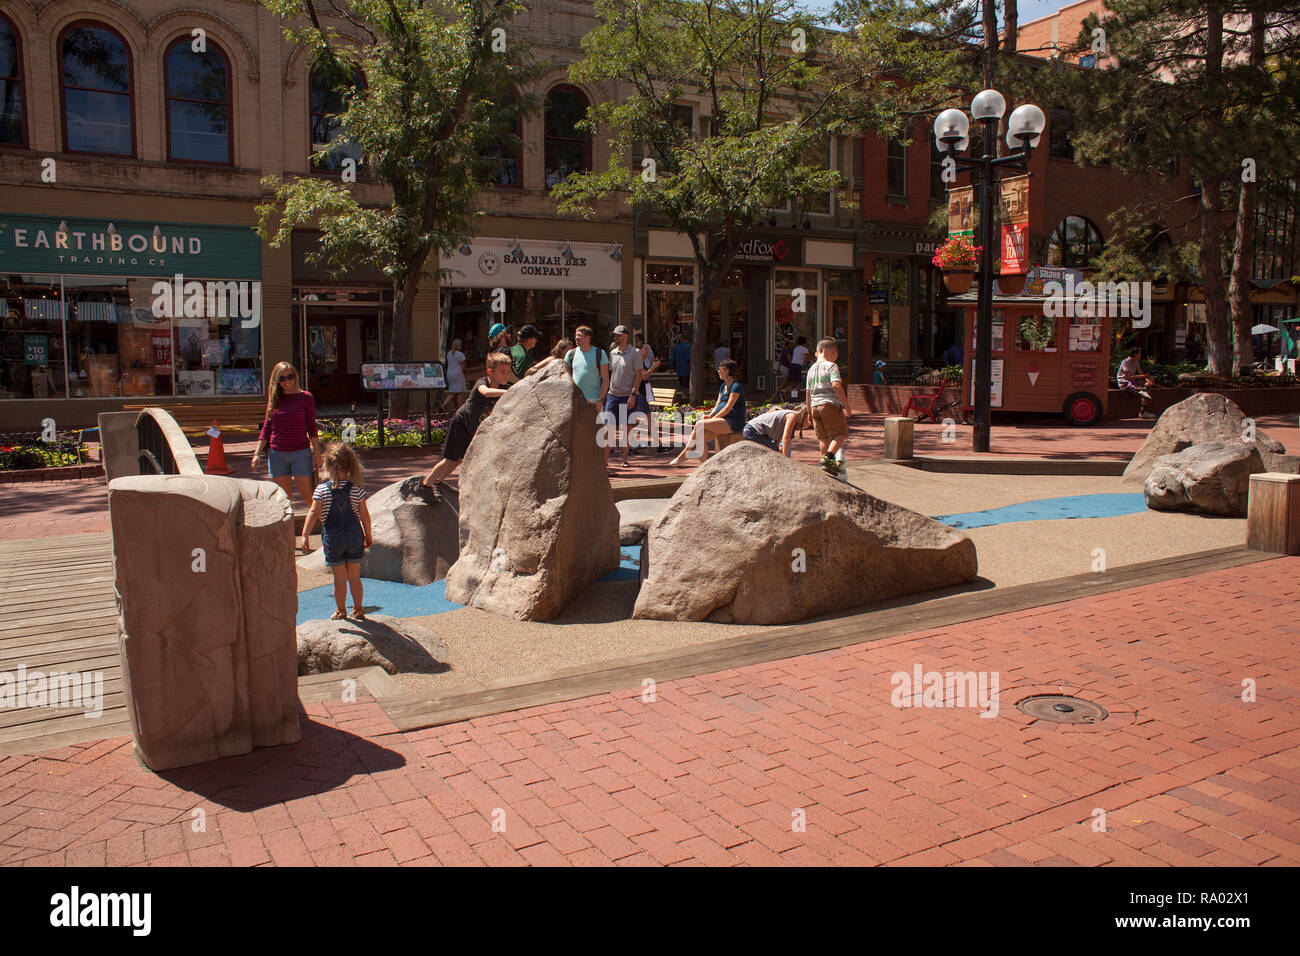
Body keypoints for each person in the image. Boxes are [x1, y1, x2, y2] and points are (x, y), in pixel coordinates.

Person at [405, 351, 512, 501]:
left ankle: (437, 483)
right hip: (461, 423)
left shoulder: (504, 386)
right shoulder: (483, 383)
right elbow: (486, 393)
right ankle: (425, 485)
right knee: (451, 460)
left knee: (460, 460)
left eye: (508, 371)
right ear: (490, 372)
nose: (506, 375)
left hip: (472, 428)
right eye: (502, 372)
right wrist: (508, 391)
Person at [300, 442, 373, 621]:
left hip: (333, 538)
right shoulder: (356, 490)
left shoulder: (321, 490)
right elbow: (365, 515)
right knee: (354, 576)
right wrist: (368, 534)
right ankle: (358, 608)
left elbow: (313, 512)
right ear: (350, 467)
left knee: (339, 578)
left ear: (328, 467)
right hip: (355, 536)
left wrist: (305, 534)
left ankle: (341, 610)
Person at [252, 361, 321, 506]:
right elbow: (267, 427)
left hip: (300, 452)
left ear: (295, 376)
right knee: (284, 499)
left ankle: (326, 528)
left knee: (309, 495)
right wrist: (257, 453)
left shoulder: (305, 397)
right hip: (277, 454)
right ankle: (288, 529)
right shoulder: (275, 398)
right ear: (277, 381)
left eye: (290, 377)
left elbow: (311, 426)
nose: (287, 381)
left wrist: (317, 452)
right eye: (282, 379)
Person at [670, 358, 745, 466]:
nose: (718, 371)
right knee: (701, 436)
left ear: (727, 371)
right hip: (721, 421)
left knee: (699, 424)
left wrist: (713, 419)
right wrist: (709, 416)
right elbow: (717, 406)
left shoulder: (736, 387)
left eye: (720, 369)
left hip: (733, 422)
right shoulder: (723, 386)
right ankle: (703, 468)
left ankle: (684, 454)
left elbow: (728, 408)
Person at [805, 338, 853, 478]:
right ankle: (829, 458)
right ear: (832, 352)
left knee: (824, 438)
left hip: (814, 406)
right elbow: (837, 385)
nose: (836, 356)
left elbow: (808, 393)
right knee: (841, 434)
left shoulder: (811, 369)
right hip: (829, 404)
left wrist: (809, 412)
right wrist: (847, 405)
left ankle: (827, 466)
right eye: (836, 353)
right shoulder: (831, 366)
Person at [604, 325, 641, 467]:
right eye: (615, 335)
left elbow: (638, 376)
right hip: (612, 395)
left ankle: (625, 459)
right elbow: (611, 374)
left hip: (628, 395)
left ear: (625, 335)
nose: (615, 337)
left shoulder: (635, 352)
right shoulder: (612, 353)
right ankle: (605, 462)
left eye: (618, 335)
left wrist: (633, 394)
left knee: (627, 429)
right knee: (608, 429)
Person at [565, 325, 609, 405]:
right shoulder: (570, 354)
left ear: (588, 338)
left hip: (594, 400)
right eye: (576, 335)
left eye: (579, 335)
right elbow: (565, 377)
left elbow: (606, 379)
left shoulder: (600, 353)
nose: (576, 338)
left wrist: (601, 399)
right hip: (575, 400)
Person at [743, 405, 809, 457]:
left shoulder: (793, 422)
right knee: (775, 452)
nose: (811, 423)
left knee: (776, 451)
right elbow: (786, 439)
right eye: (811, 420)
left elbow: (777, 443)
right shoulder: (792, 416)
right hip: (752, 430)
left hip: (757, 432)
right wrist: (786, 459)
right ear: (805, 416)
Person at [1117, 346, 1156, 418]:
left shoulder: (1136, 362)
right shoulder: (1125, 362)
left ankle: (1143, 412)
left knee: (1147, 384)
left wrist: (1148, 380)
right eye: (1139, 354)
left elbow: (1140, 373)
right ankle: (1143, 390)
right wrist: (1144, 376)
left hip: (1133, 381)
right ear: (1135, 354)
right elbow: (1130, 376)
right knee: (1142, 389)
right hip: (1124, 382)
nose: (1140, 355)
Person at [441, 338, 468, 411]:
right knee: (460, 392)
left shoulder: (449, 353)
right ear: (459, 346)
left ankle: (443, 405)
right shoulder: (460, 354)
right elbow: (463, 367)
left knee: (453, 391)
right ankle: (459, 408)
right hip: (458, 374)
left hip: (450, 373)